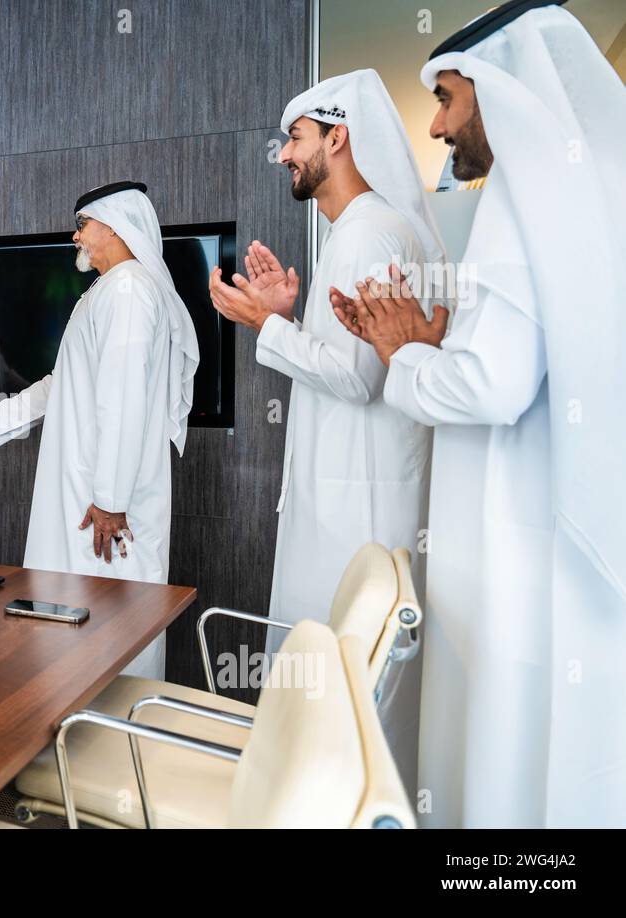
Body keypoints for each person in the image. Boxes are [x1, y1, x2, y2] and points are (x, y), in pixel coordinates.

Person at [332, 0, 626, 827]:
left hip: (516, 545)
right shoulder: (594, 182)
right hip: (569, 543)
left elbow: (493, 387)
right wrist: (442, 337)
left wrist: (404, 353)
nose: (437, 127)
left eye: (449, 99)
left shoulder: (522, 195)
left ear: (500, 89)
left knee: (503, 769)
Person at [206, 69, 445, 787]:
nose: (284, 154)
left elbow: (360, 377)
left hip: (355, 518)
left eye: (297, 139)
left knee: (341, 716)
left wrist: (265, 325)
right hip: (343, 505)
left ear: (337, 139)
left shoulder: (371, 234)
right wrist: (285, 314)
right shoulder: (356, 233)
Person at [0, 182, 200, 680]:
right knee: (79, 616)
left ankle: (116, 729)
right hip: (88, 493)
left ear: (114, 225)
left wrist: (109, 498)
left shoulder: (128, 289)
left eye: (83, 224)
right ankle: (74, 725)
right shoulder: (107, 291)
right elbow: (60, 384)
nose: (76, 235)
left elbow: (125, 398)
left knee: (112, 617)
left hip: (104, 505)